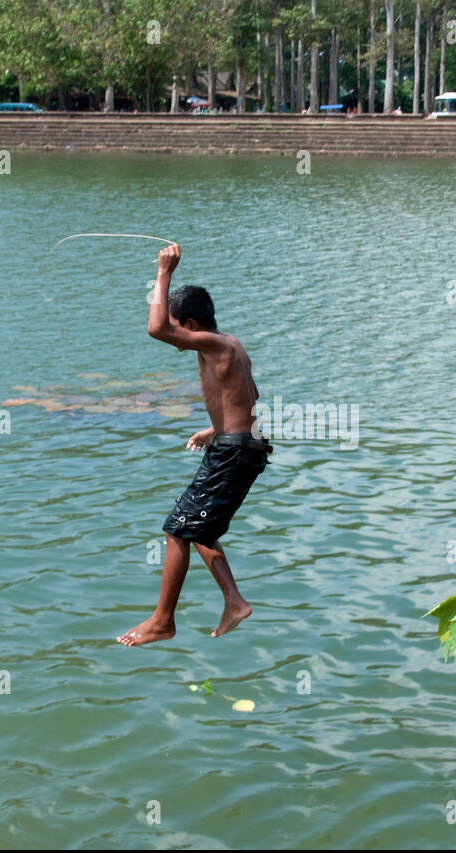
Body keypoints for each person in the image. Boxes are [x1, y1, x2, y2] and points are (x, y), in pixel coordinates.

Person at [117, 244, 272, 647]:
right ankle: (234, 601)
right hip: (237, 445)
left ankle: (162, 622)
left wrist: (163, 271)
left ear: (190, 323)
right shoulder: (228, 344)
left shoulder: (216, 346)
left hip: (235, 452)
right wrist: (215, 428)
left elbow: (156, 329)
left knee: (176, 529)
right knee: (199, 527)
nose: (176, 340)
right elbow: (247, 396)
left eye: (179, 328)